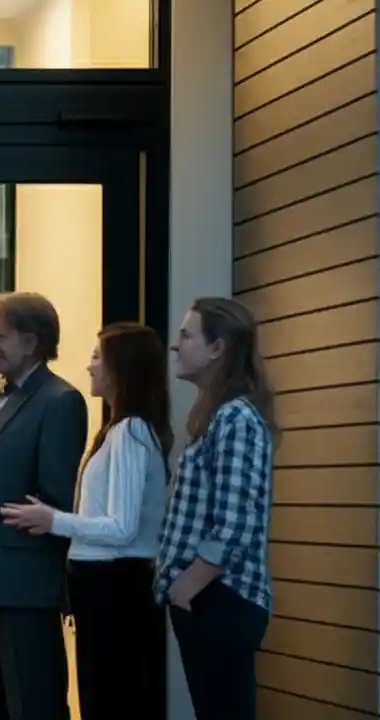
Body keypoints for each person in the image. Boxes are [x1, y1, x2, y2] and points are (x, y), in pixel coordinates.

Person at [0, 322, 171, 720]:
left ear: (121, 368)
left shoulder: (130, 432)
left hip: (115, 585)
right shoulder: (119, 430)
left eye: (97, 357)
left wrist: (54, 520)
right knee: (106, 692)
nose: (89, 366)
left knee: (112, 695)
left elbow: (121, 527)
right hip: (106, 585)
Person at [0, 291, 87, 720]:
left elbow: (54, 497)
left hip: (24, 581)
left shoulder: (61, 401)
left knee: (33, 700)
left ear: (31, 342)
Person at [155, 298, 274, 720]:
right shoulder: (215, 414)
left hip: (220, 599)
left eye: (187, 335)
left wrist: (188, 585)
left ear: (217, 349)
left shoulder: (236, 418)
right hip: (208, 599)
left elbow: (235, 524)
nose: (176, 346)